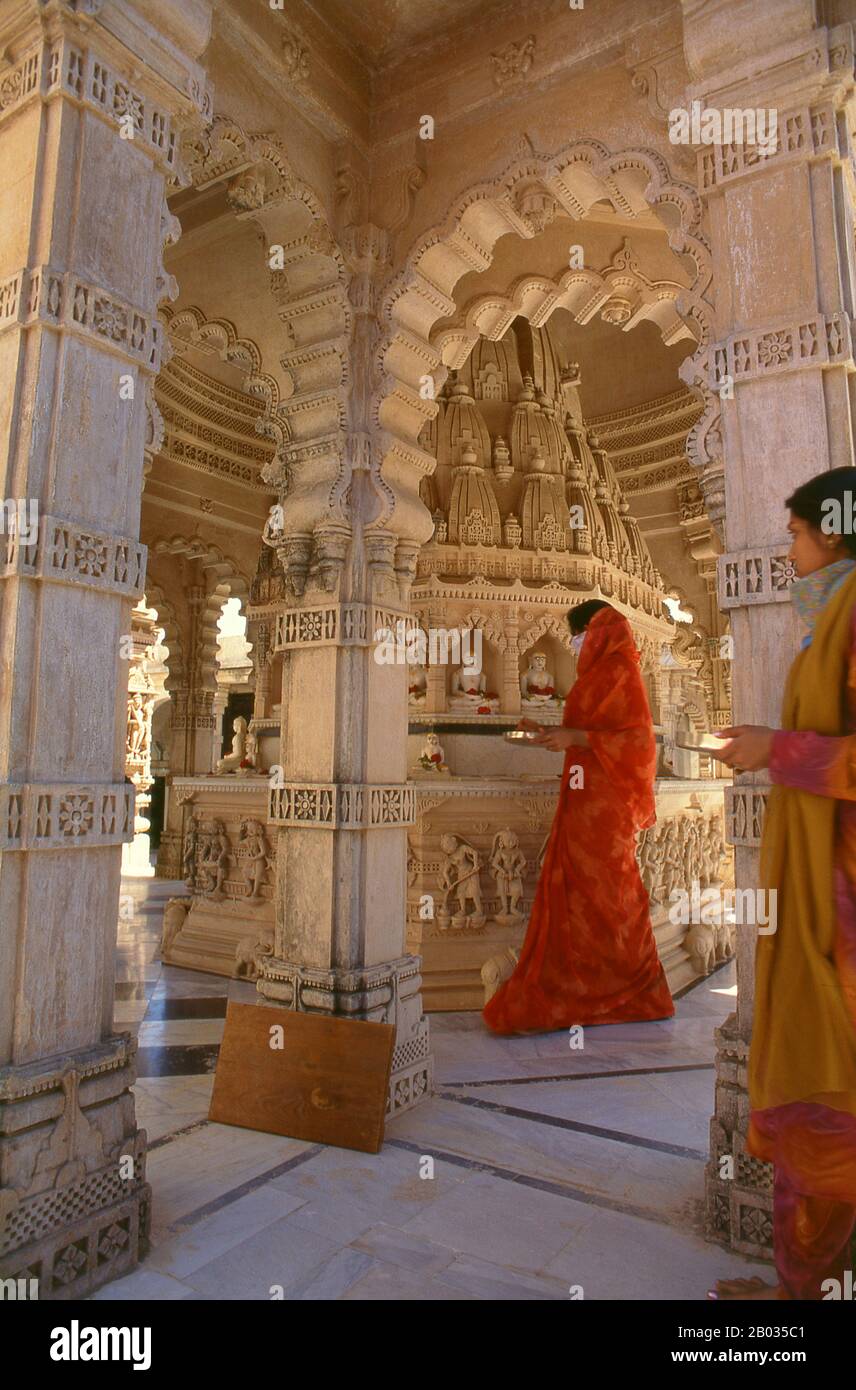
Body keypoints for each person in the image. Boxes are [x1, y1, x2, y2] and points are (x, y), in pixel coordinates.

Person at [711, 466, 856, 1301]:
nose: (789, 550)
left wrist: (779, 750)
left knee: (834, 1109)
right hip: (817, 902)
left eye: (796, 533)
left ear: (832, 532)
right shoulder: (828, 620)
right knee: (818, 1106)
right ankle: (807, 1291)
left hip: (845, 910)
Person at [483, 600, 674, 1035]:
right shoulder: (597, 674)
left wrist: (574, 736)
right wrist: (547, 732)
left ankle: (633, 990)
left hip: (606, 807)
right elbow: (587, 737)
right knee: (576, 895)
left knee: (609, 895)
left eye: (578, 635)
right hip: (583, 799)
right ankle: (582, 988)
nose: (573, 645)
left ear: (597, 630)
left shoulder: (620, 672)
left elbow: (640, 743)